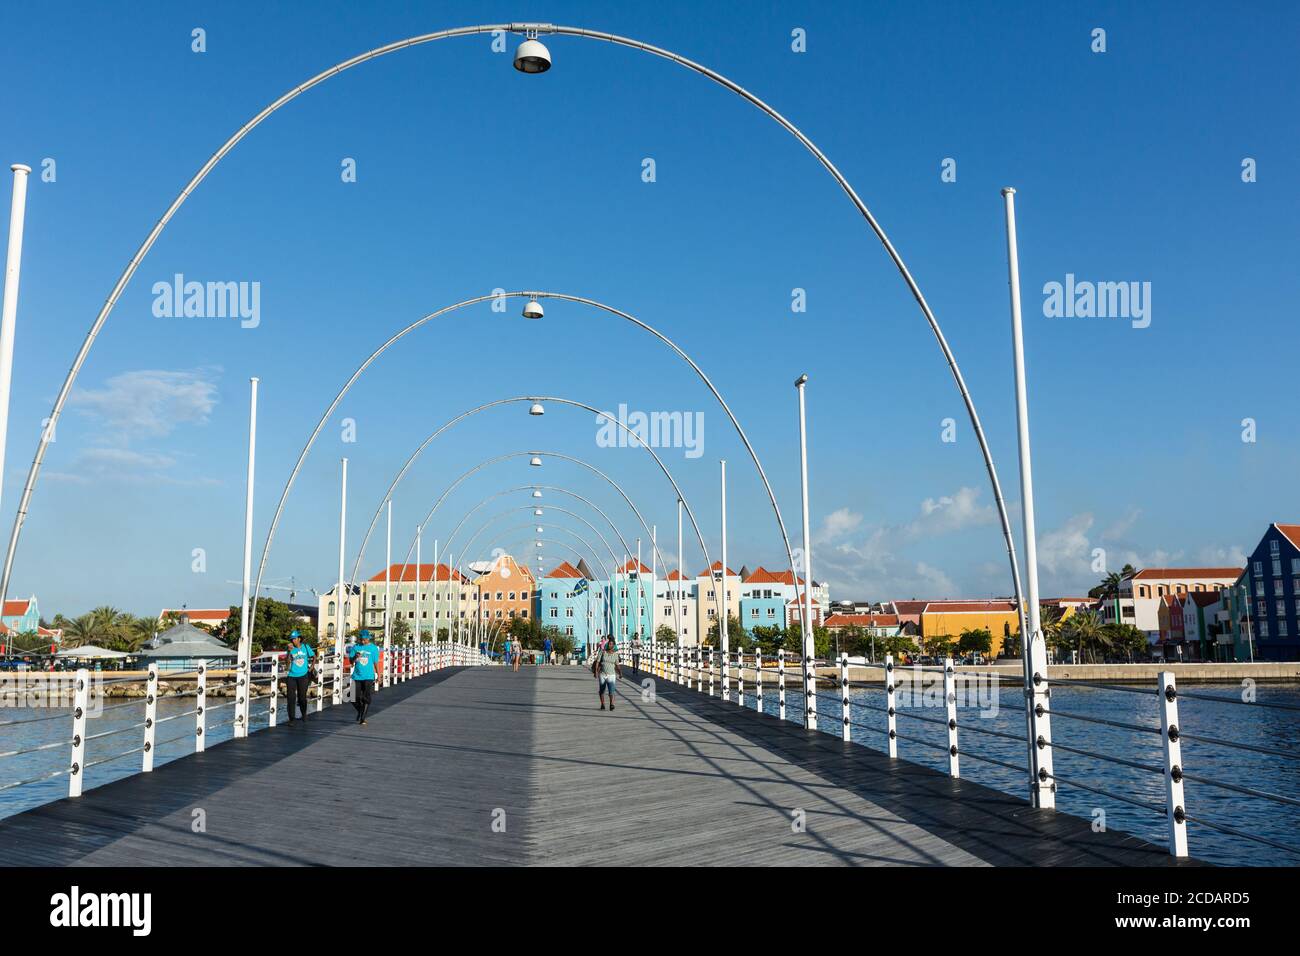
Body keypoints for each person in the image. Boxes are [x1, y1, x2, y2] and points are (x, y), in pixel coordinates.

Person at [347, 630, 380, 725]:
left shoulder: (373, 648)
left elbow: (376, 663)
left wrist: (379, 675)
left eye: (364, 640)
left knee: (366, 697)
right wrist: (355, 657)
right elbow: (351, 661)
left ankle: (363, 718)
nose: (362, 641)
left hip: (369, 676)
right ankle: (361, 710)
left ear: (368, 638)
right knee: (352, 697)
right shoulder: (356, 647)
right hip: (357, 676)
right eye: (361, 639)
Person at [285, 630, 314, 723]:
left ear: (299, 639)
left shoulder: (306, 647)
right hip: (291, 676)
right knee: (291, 698)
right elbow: (287, 663)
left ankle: (304, 714)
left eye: (294, 639)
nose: (293, 641)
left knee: (302, 698)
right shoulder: (290, 649)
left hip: (303, 675)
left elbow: (314, 656)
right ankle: (291, 719)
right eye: (291, 639)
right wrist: (289, 652)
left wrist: (312, 667)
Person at [594, 636, 622, 710]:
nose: (610, 645)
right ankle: (602, 704)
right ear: (607, 645)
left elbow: (617, 665)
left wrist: (620, 673)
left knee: (611, 691)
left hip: (612, 675)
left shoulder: (616, 655)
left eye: (612, 644)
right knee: (602, 691)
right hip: (602, 674)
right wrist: (596, 672)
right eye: (609, 644)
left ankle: (611, 704)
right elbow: (597, 662)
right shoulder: (602, 652)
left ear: (613, 645)